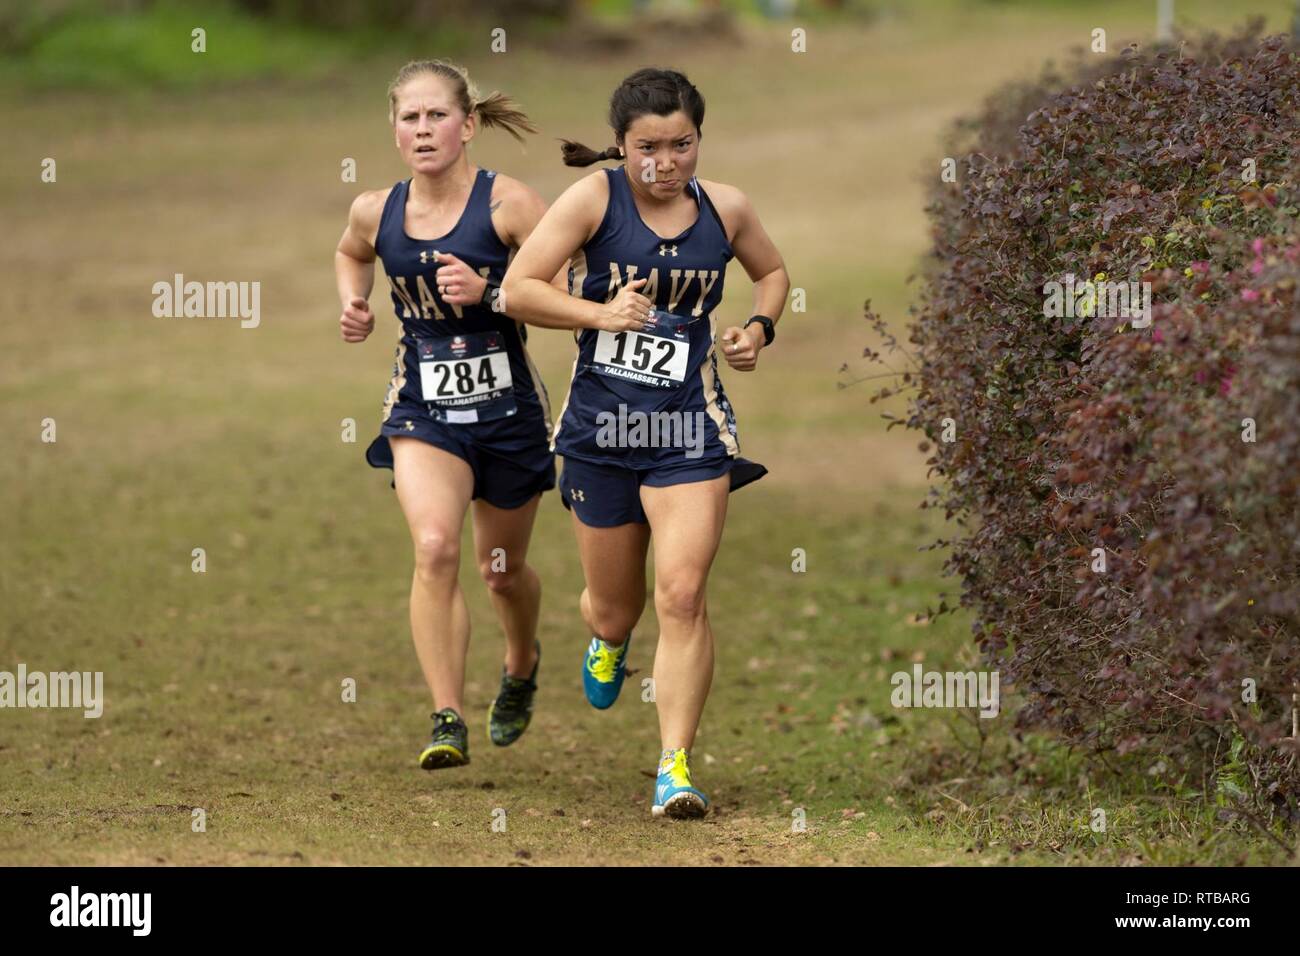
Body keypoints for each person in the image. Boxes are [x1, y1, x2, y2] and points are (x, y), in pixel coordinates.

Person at [502, 68, 789, 818]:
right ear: (622, 145)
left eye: (682, 144)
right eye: (648, 148)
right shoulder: (594, 198)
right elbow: (518, 289)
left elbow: (774, 271)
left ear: (700, 138)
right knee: (613, 608)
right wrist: (599, 314)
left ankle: (675, 768)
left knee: (685, 593)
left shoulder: (725, 208)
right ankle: (606, 637)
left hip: (689, 428)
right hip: (602, 430)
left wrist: (758, 328)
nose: (666, 162)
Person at [334, 59, 561, 770]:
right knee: (434, 547)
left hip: (508, 413)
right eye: (411, 117)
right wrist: (355, 299)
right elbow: (350, 252)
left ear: (467, 125)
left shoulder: (511, 205)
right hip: (424, 406)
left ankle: (521, 662)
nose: (424, 129)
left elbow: (576, 290)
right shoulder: (377, 209)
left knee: (500, 570)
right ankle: (446, 715)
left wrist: (493, 291)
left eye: (437, 116)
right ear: (395, 130)